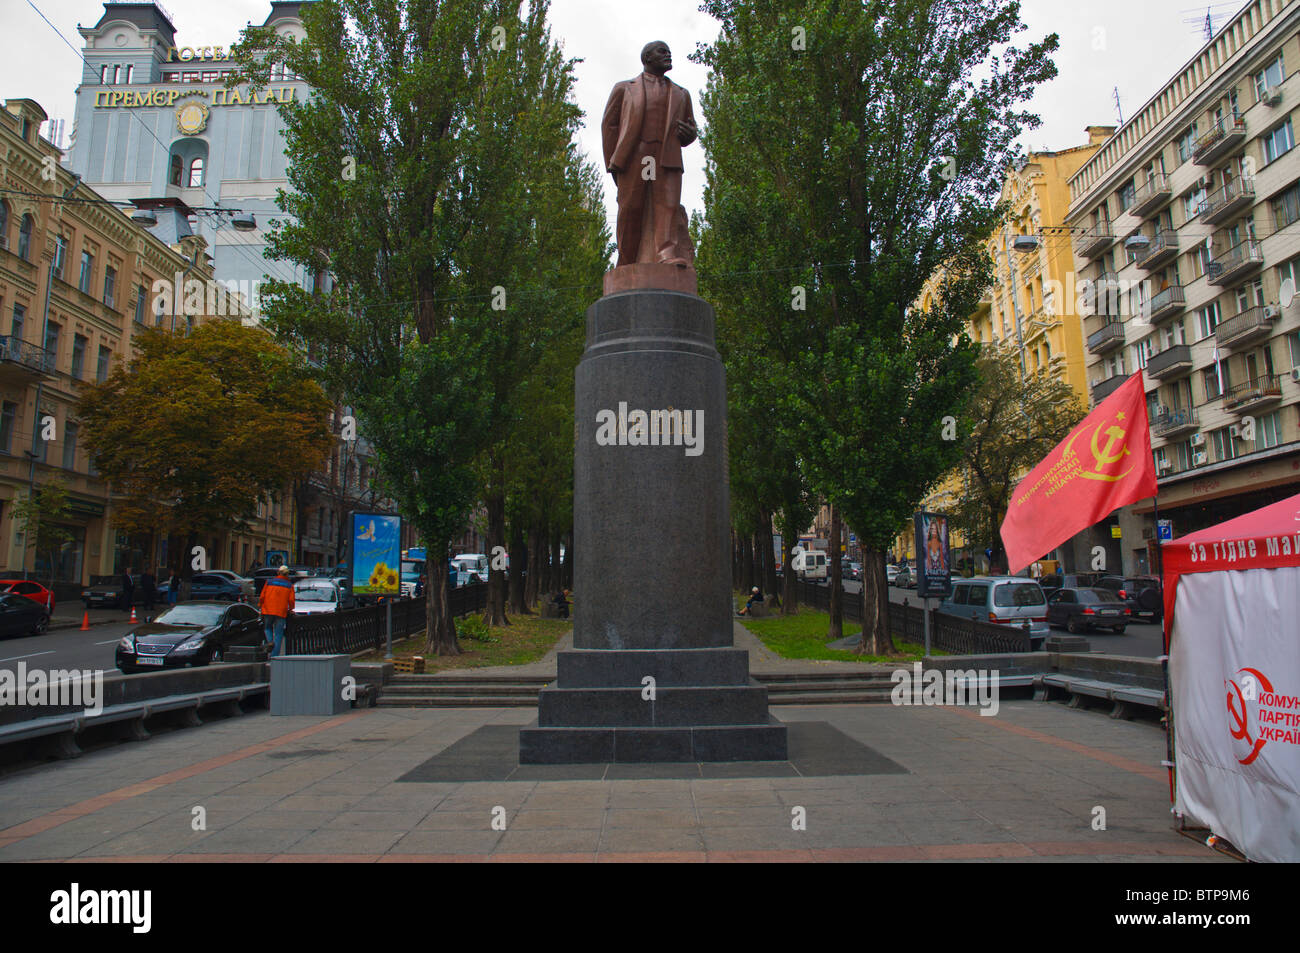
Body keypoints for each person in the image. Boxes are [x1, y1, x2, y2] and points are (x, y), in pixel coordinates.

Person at [259, 565, 296, 658]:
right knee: (279, 633)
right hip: (281, 611)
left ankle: (270, 642)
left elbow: (262, 596)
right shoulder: (289, 585)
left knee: (267, 628)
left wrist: (260, 606)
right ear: (287, 575)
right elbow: (291, 600)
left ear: (278, 573)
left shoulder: (269, 582)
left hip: (268, 610)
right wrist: (290, 609)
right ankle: (274, 656)